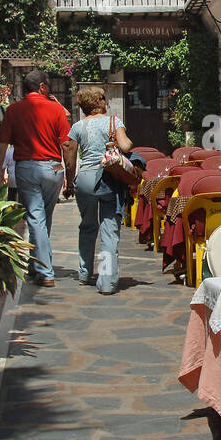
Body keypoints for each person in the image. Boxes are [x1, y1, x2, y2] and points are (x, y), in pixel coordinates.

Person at [0, 70, 70, 286]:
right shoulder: (56, 109)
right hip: (54, 167)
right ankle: (40, 267)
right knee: (43, 218)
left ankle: (41, 268)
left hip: (27, 167)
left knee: (36, 219)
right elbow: (66, 144)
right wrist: (70, 173)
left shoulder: (13, 110)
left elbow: (2, 144)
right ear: (43, 88)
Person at [62, 86, 136, 295]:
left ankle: (84, 274)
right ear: (99, 102)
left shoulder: (76, 127)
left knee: (87, 226)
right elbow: (125, 147)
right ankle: (106, 282)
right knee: (109, 231)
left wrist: (69, 184)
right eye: (104, 98)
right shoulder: (114, 122)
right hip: (108, 179)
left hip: (85, 179)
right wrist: (126, 140)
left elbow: (70, 159)